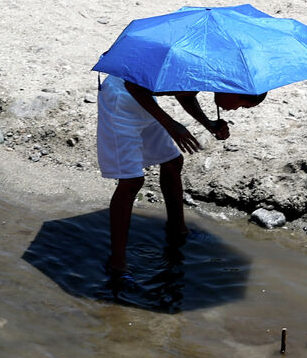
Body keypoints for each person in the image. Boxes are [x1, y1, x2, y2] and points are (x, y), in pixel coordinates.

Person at [97, 74, 265, 276]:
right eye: (241, 105)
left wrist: (208, 123)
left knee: (172, 162)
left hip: (142, 97)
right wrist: (171, 125)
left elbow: (185, 95)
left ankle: (178, 228)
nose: (236, 110)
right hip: (120, 95)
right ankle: (117, 261)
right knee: (132, 180)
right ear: (232, 91)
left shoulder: (210, 76)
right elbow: (133, 85)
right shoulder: (194, 71)